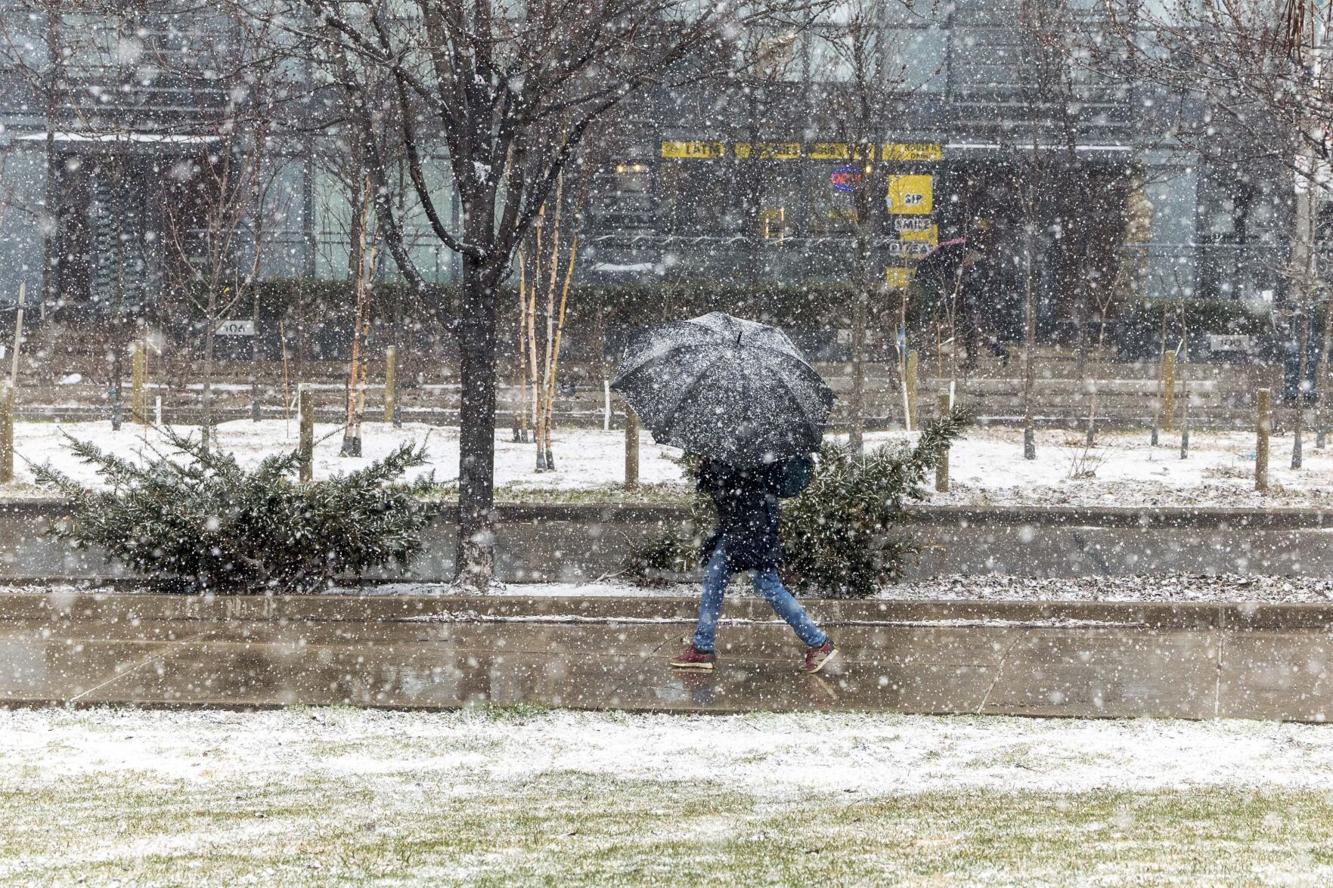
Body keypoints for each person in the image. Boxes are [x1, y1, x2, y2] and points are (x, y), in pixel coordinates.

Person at [670, 454, 837, 674]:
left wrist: (713, 467)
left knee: (768, 586)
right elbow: (725, 487)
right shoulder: (736, 445)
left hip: (752, 529)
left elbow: (736, 483)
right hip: (738, 527)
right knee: (715, 579)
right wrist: (706, 468)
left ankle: (819, 642)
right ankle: (702, 648)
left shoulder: (748, 447)